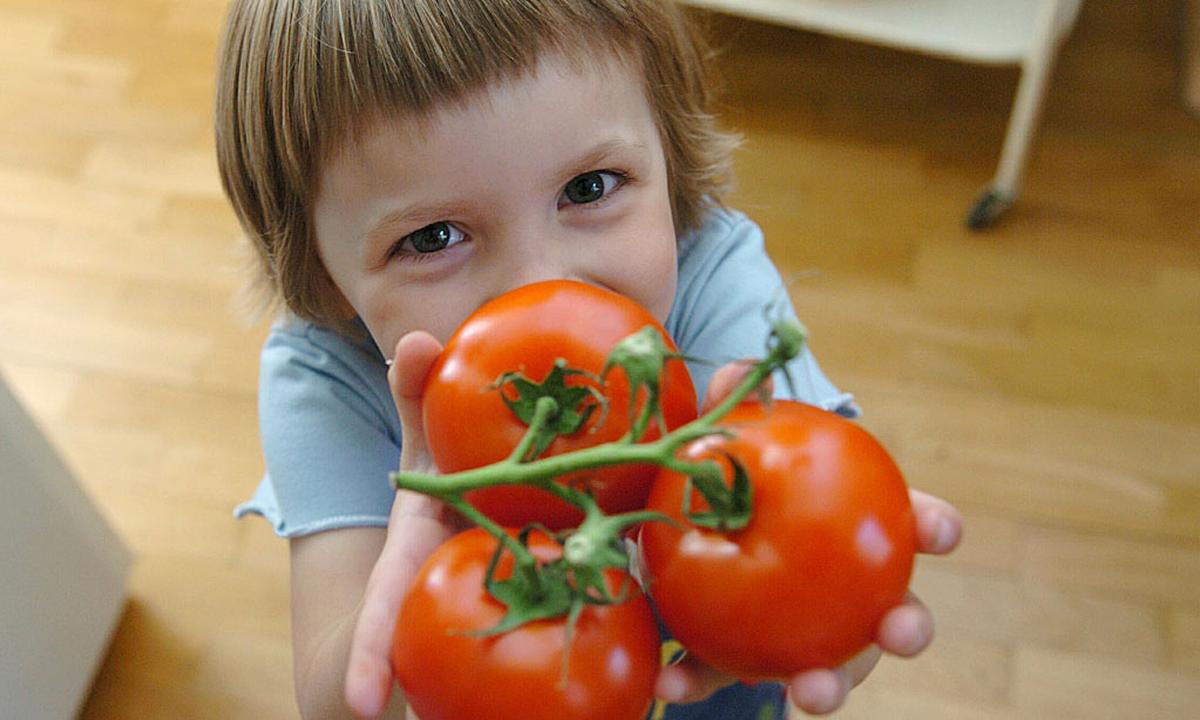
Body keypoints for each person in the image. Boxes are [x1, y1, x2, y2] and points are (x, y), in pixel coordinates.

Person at [215, 1, 963, 718]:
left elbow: (826, 583)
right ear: (318, 269)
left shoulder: (714, 282)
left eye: (589, 188)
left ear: (669, 150)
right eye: (435, 237)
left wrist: (836, 619)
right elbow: (333, 701)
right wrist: (412, 589)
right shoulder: (325, 382)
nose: (543, 286)